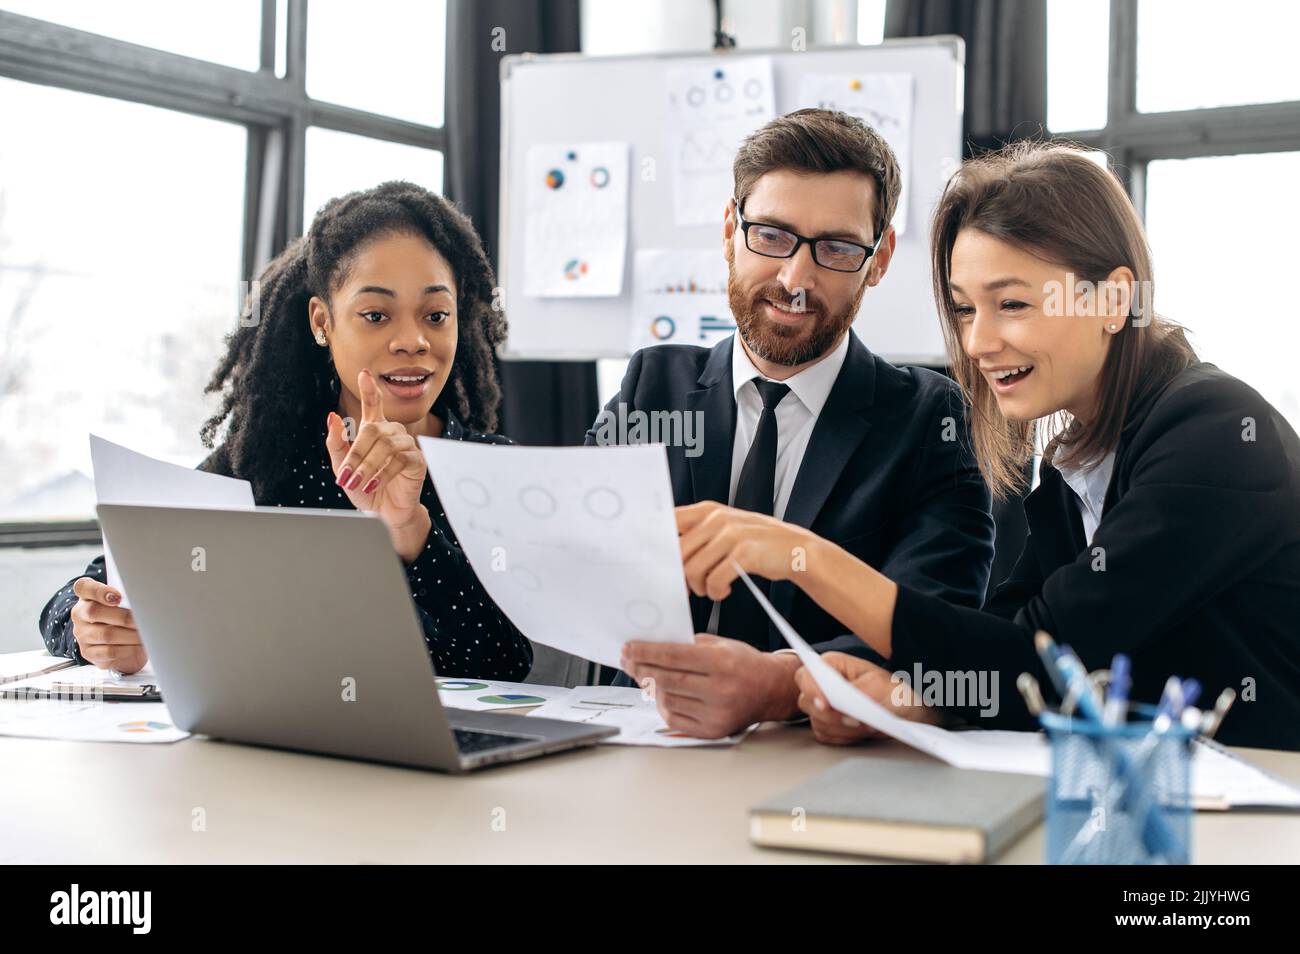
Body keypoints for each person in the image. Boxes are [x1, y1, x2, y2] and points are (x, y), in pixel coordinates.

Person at [675, 141, 1300, 751]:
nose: (977, 343)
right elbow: (1006, 644)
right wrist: (911, 699)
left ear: (1113, 300)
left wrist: (803, 556)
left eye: (1013, 304)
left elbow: (1048, 650)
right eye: (965, 309)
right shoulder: (1074, 470)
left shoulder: (1215, 431)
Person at [602, 109, 995, 739]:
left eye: (836, 248)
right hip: (642, 734)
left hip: (816, 757)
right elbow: (582, 557)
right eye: (772, 236)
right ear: (731, 228)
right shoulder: (653, 386)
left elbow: (935, 626)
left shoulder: (931, 419)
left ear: (881, 256)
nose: (794, 279)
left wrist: (782, 685)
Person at [39, 181, 533, 682]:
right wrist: (95, 629)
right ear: (323, 322)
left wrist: (410, 532)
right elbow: (81, 595)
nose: (412, 340)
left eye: (436, 315)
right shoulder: (264, 461)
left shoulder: (494, 470)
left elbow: (505, 662)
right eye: (376, 315)